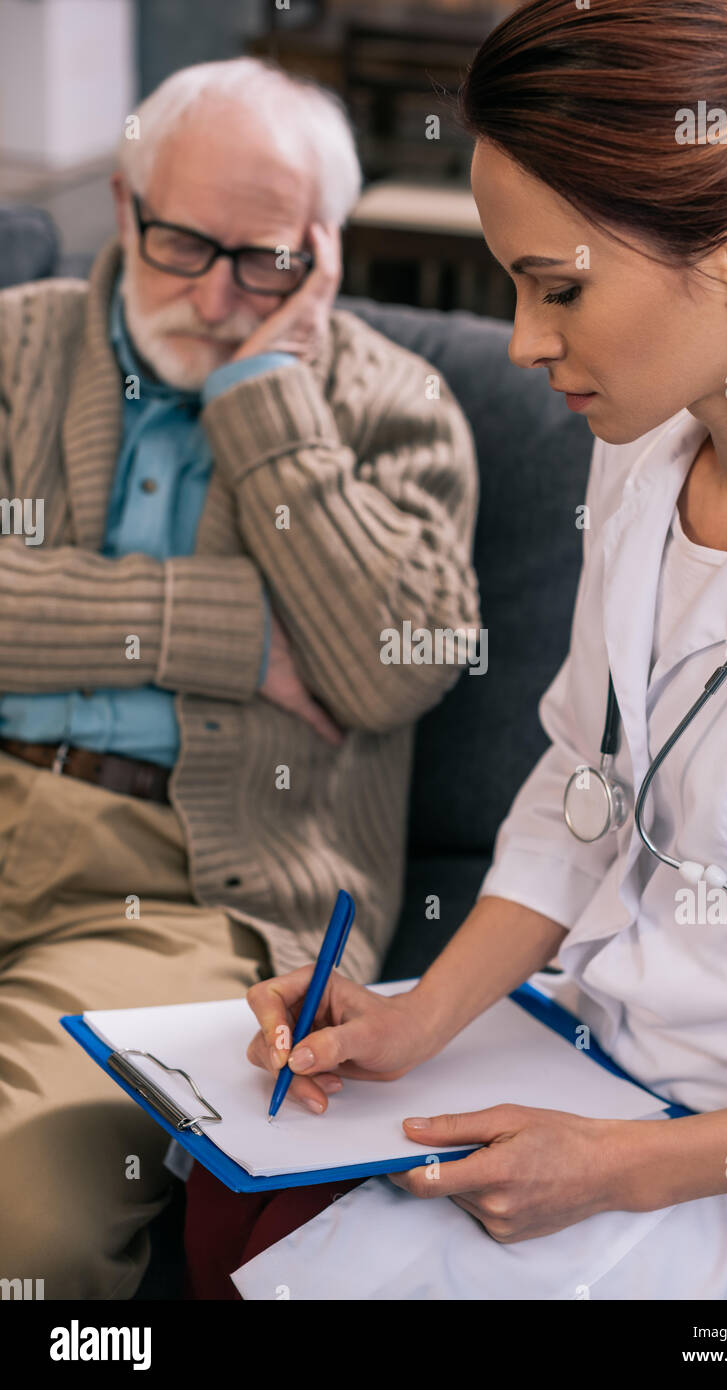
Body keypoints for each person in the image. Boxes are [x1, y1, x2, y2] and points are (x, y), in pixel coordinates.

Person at [187, 0, 727, 1299]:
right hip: (583, 1060)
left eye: (554, 285)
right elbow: (579, 778)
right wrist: (413, 1016)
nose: (520, 340)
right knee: (233, 1202)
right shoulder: (635, 459)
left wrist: (620, 1167)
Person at [0, 57, 480, 1299]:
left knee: (23, 1231)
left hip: (177, 892)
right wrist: (239, 635)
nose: (217, 294)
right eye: (180, 244)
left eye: (261, 259)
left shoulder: (393, 405)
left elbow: (391, 665)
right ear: (123, 200)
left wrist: (267, 398)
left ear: (323, 251)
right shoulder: (18, 344)